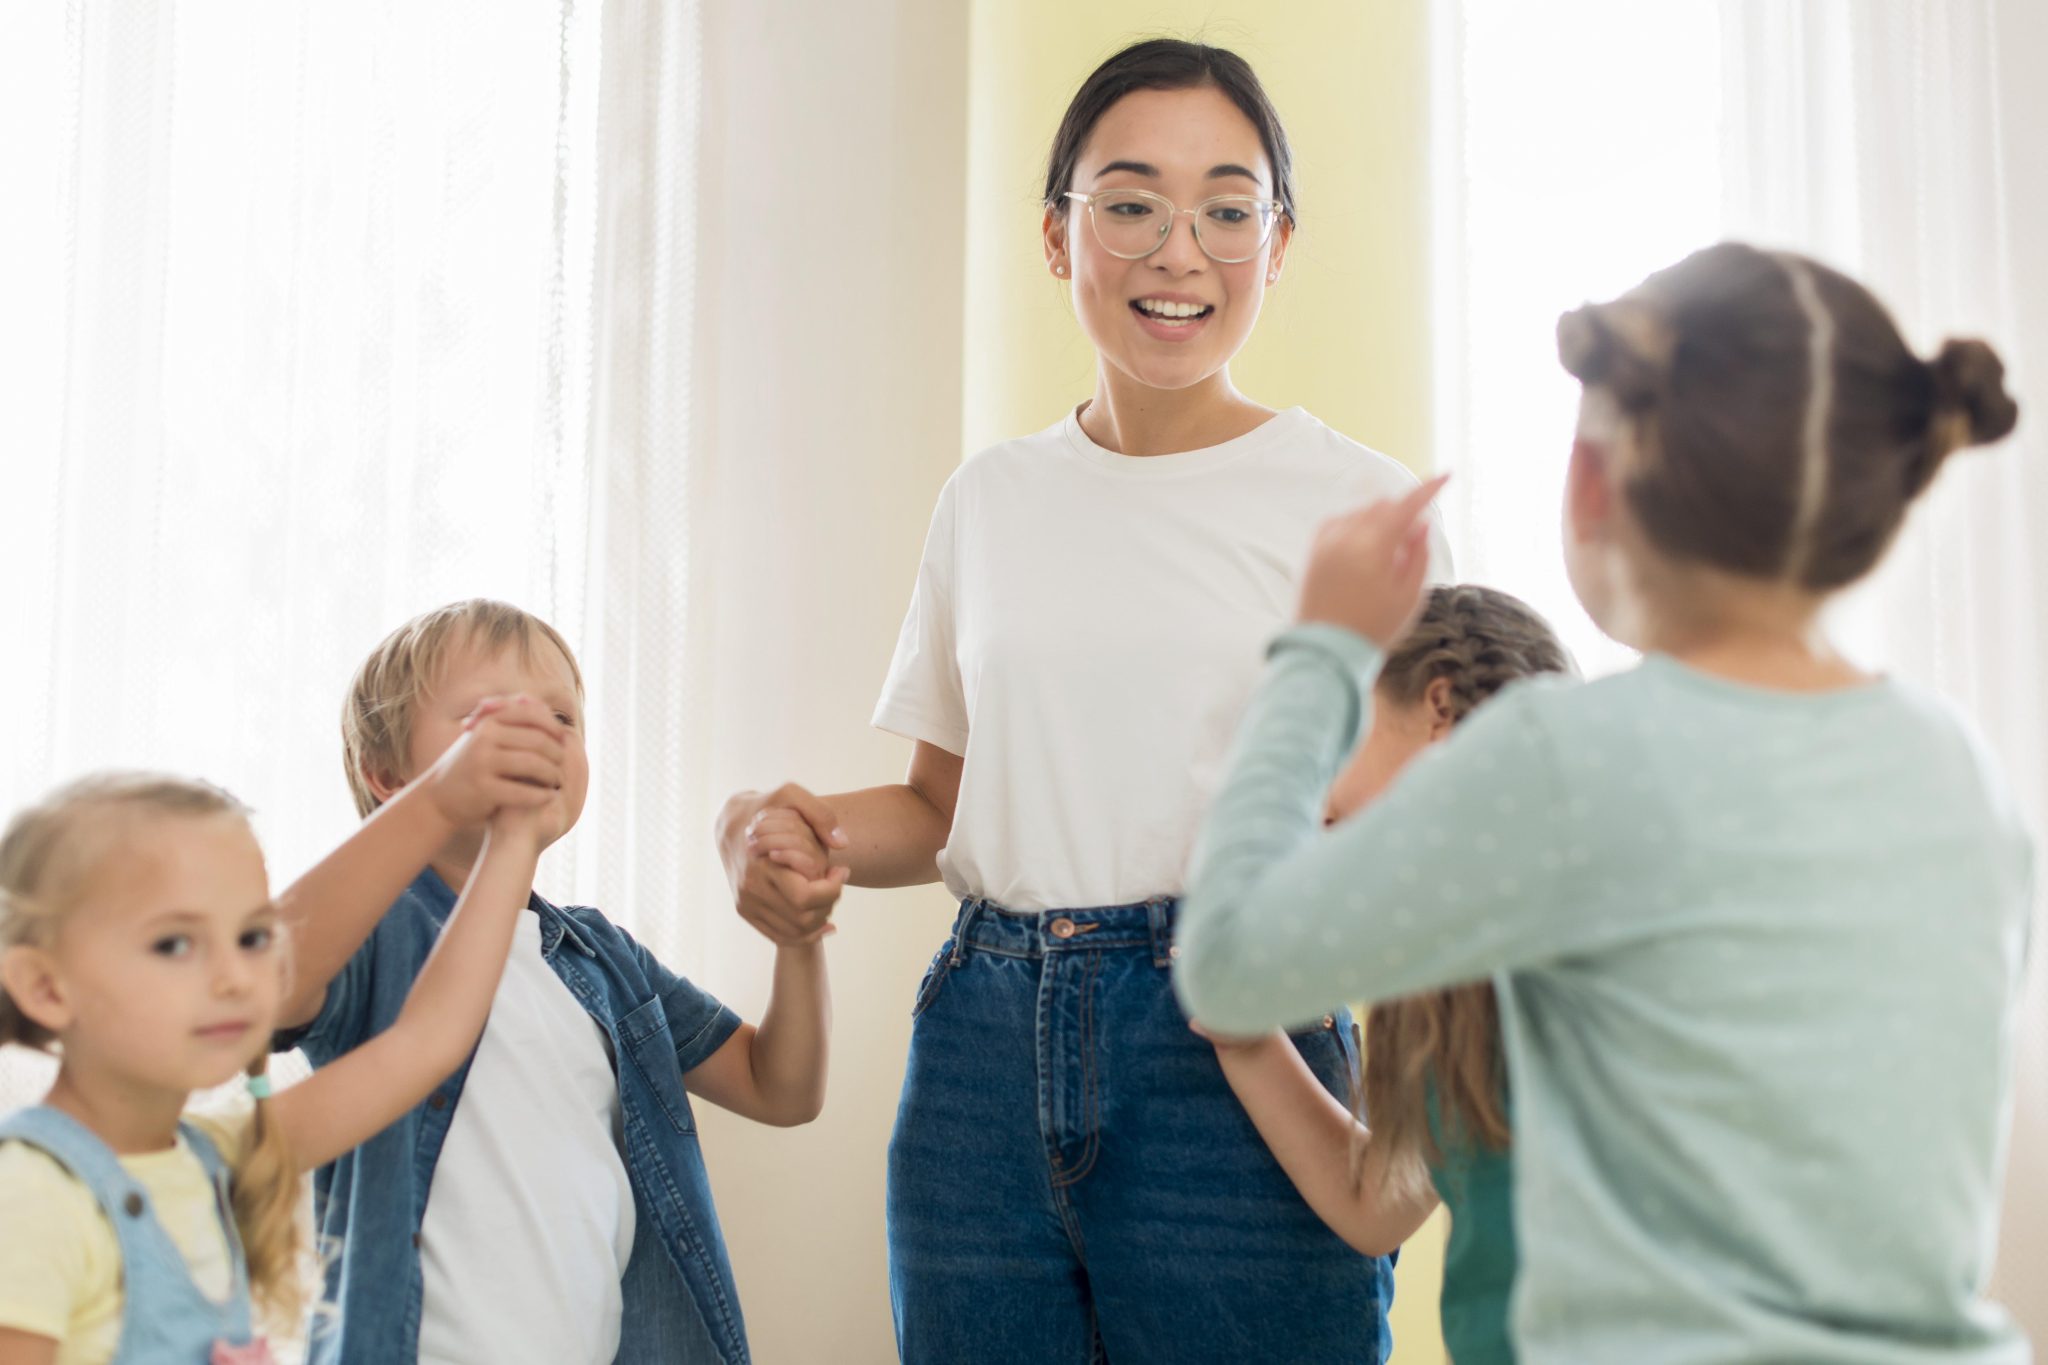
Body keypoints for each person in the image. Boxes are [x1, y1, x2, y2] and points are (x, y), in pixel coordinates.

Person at [722, 38, 1445, 1364]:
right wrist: (792, 829)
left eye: (1230, 209)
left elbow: (1422, 851)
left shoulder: (1360, 508)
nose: (1182, 250)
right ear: (1059, 238)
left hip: (1244, 1041)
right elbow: (941, 808)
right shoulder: (988, 499)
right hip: (981, 1056)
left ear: (1280, 243)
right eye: (1130, 203)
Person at [1177, 242, 2030, 1362]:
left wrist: (1324, 652)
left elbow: (1229, 959)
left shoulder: (1565, 761)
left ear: (1593, 477)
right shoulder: (1956, 768)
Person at [275, 599, 838, 1364]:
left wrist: (796, 942)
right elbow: (267, 976)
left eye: (562, 719)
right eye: (485, 719)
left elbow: (783, 1088)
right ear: (388, 774)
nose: (538, 736)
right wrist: (440, 799)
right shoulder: (376, 933)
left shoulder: (602, 957)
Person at [0, 763, 549, 1364]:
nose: (235, 978)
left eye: (254, 937)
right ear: (47, 988)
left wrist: (512, 839)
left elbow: (429, 1039)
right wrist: (439, 798)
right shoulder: (30, 1195)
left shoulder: (220, 1156)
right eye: (174, 944)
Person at [1199, 583, 1572, 1365]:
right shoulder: (1441, 972)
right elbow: (1376, 1204)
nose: (1316, 799)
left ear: (1438, 702)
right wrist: (1246, 1041)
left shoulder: (1580, 913)